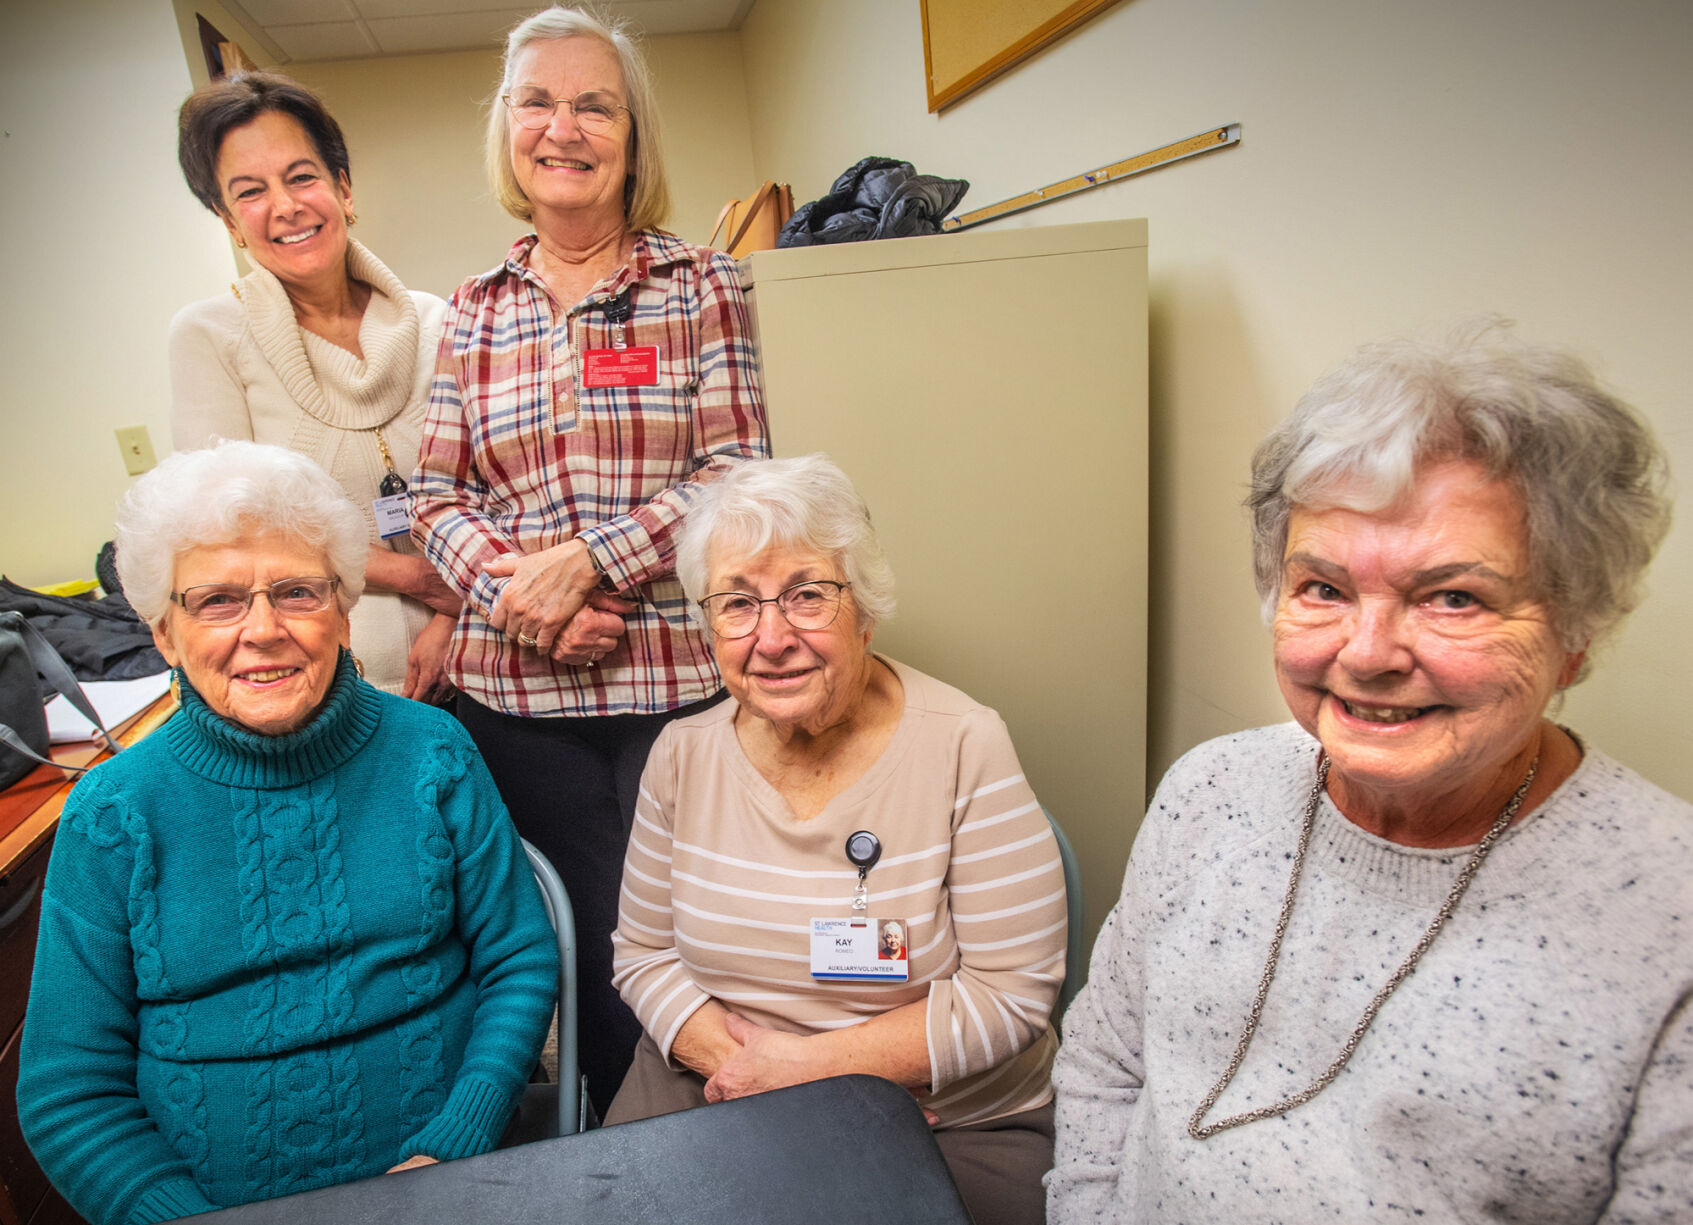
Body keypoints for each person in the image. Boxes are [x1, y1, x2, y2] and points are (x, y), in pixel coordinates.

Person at [1046, 323, 1691, 1223]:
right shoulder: (1207, 791)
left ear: (1575, 634)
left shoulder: (1667, 918)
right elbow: (1106, 1063)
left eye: (1452, 596)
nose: (1366, 652)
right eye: (1323, 588)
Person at [18, 441, 557, 1225]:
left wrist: (455, 1147)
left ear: (343, 610)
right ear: (164, 632)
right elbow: (68, 1088)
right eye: (218, 600)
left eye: (298, 591)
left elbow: (519, 957)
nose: (264, 628)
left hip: (450, 1185)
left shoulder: (433, 751)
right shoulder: (112, 811)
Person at [411, 5, 768, 1115]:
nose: (561, 127)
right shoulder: (470, 311)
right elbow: (434, 496)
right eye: (536, 102)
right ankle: (626, 1155)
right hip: (519, 700)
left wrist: (588, 561)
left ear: (632, 133)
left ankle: (740, 1129)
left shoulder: (702, 284)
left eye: (593, 105)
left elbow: (737, 469)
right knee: (593, 956)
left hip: (679, 686)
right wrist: (528, 597)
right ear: (507, 128)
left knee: (704, 933)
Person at [609, 455, 1066, 1225]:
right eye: (736, 603)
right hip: (711, 1081)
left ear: (865, 609)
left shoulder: (964, 743)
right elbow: (644, 953)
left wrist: (815, 1074)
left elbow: (1009, 993)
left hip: (943, 1114)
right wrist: (743, 1070)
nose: (772, 636)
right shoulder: (681, 754)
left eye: (806, 595)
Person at [170, 72, 459, 702]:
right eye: (251, 192)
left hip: (479, 659)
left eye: (301, 177)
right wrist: (415, 577)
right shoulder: (209, 337)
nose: (285, 206)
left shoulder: (440, 320)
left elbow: (493, 492)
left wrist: (451, 616)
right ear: (229, 221)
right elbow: (234, 532)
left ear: (343, 189)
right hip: (323, 686)